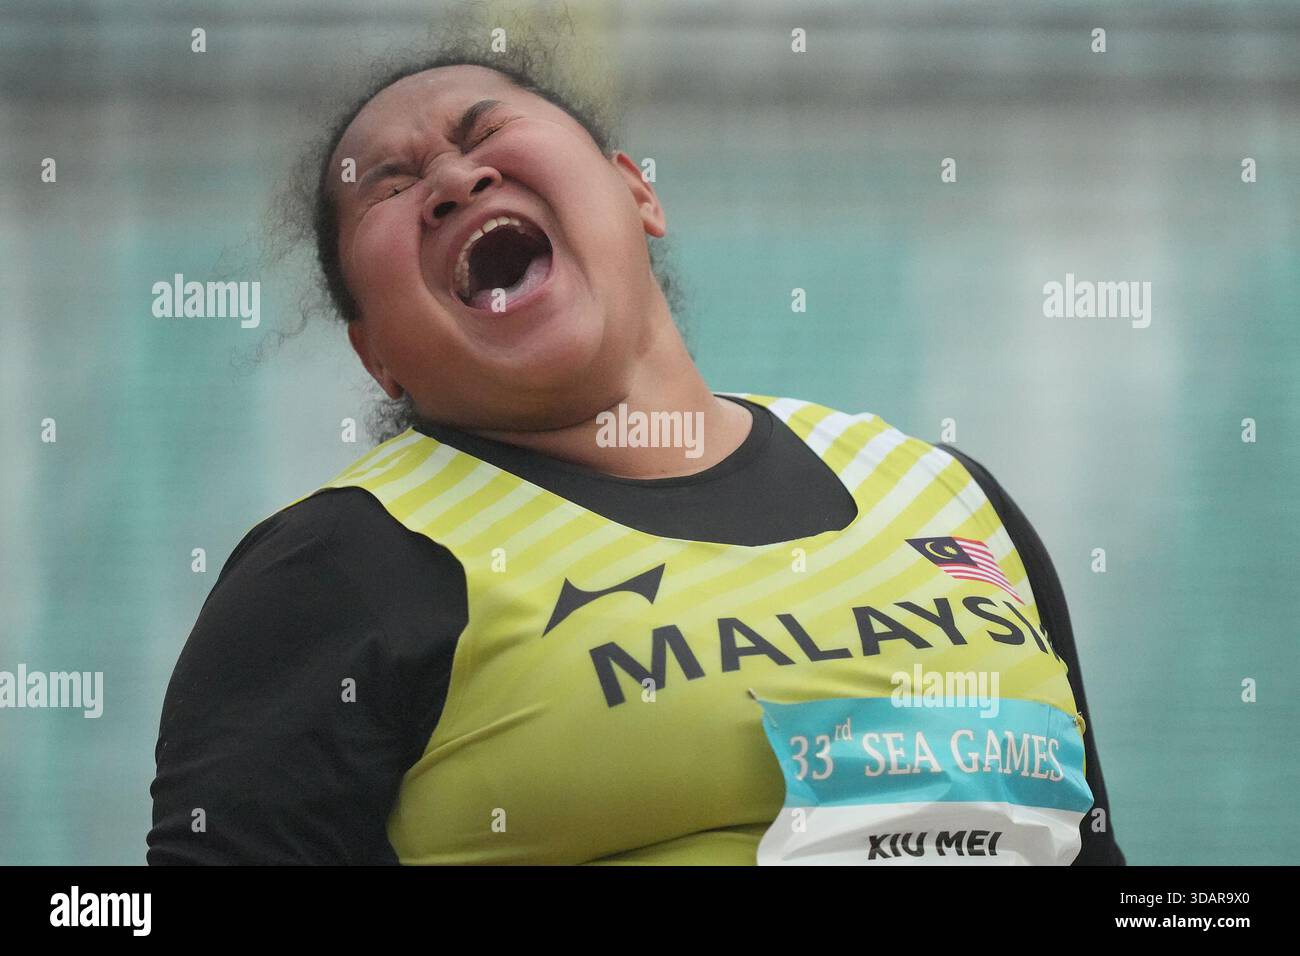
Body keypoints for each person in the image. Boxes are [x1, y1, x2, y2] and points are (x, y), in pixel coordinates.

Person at [147, 45, 1125, 865]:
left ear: (636, 191)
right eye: (390, 189)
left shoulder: (944, 494)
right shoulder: (336, 570)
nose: (451, 179)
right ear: (377, 356)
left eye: (483, 133)